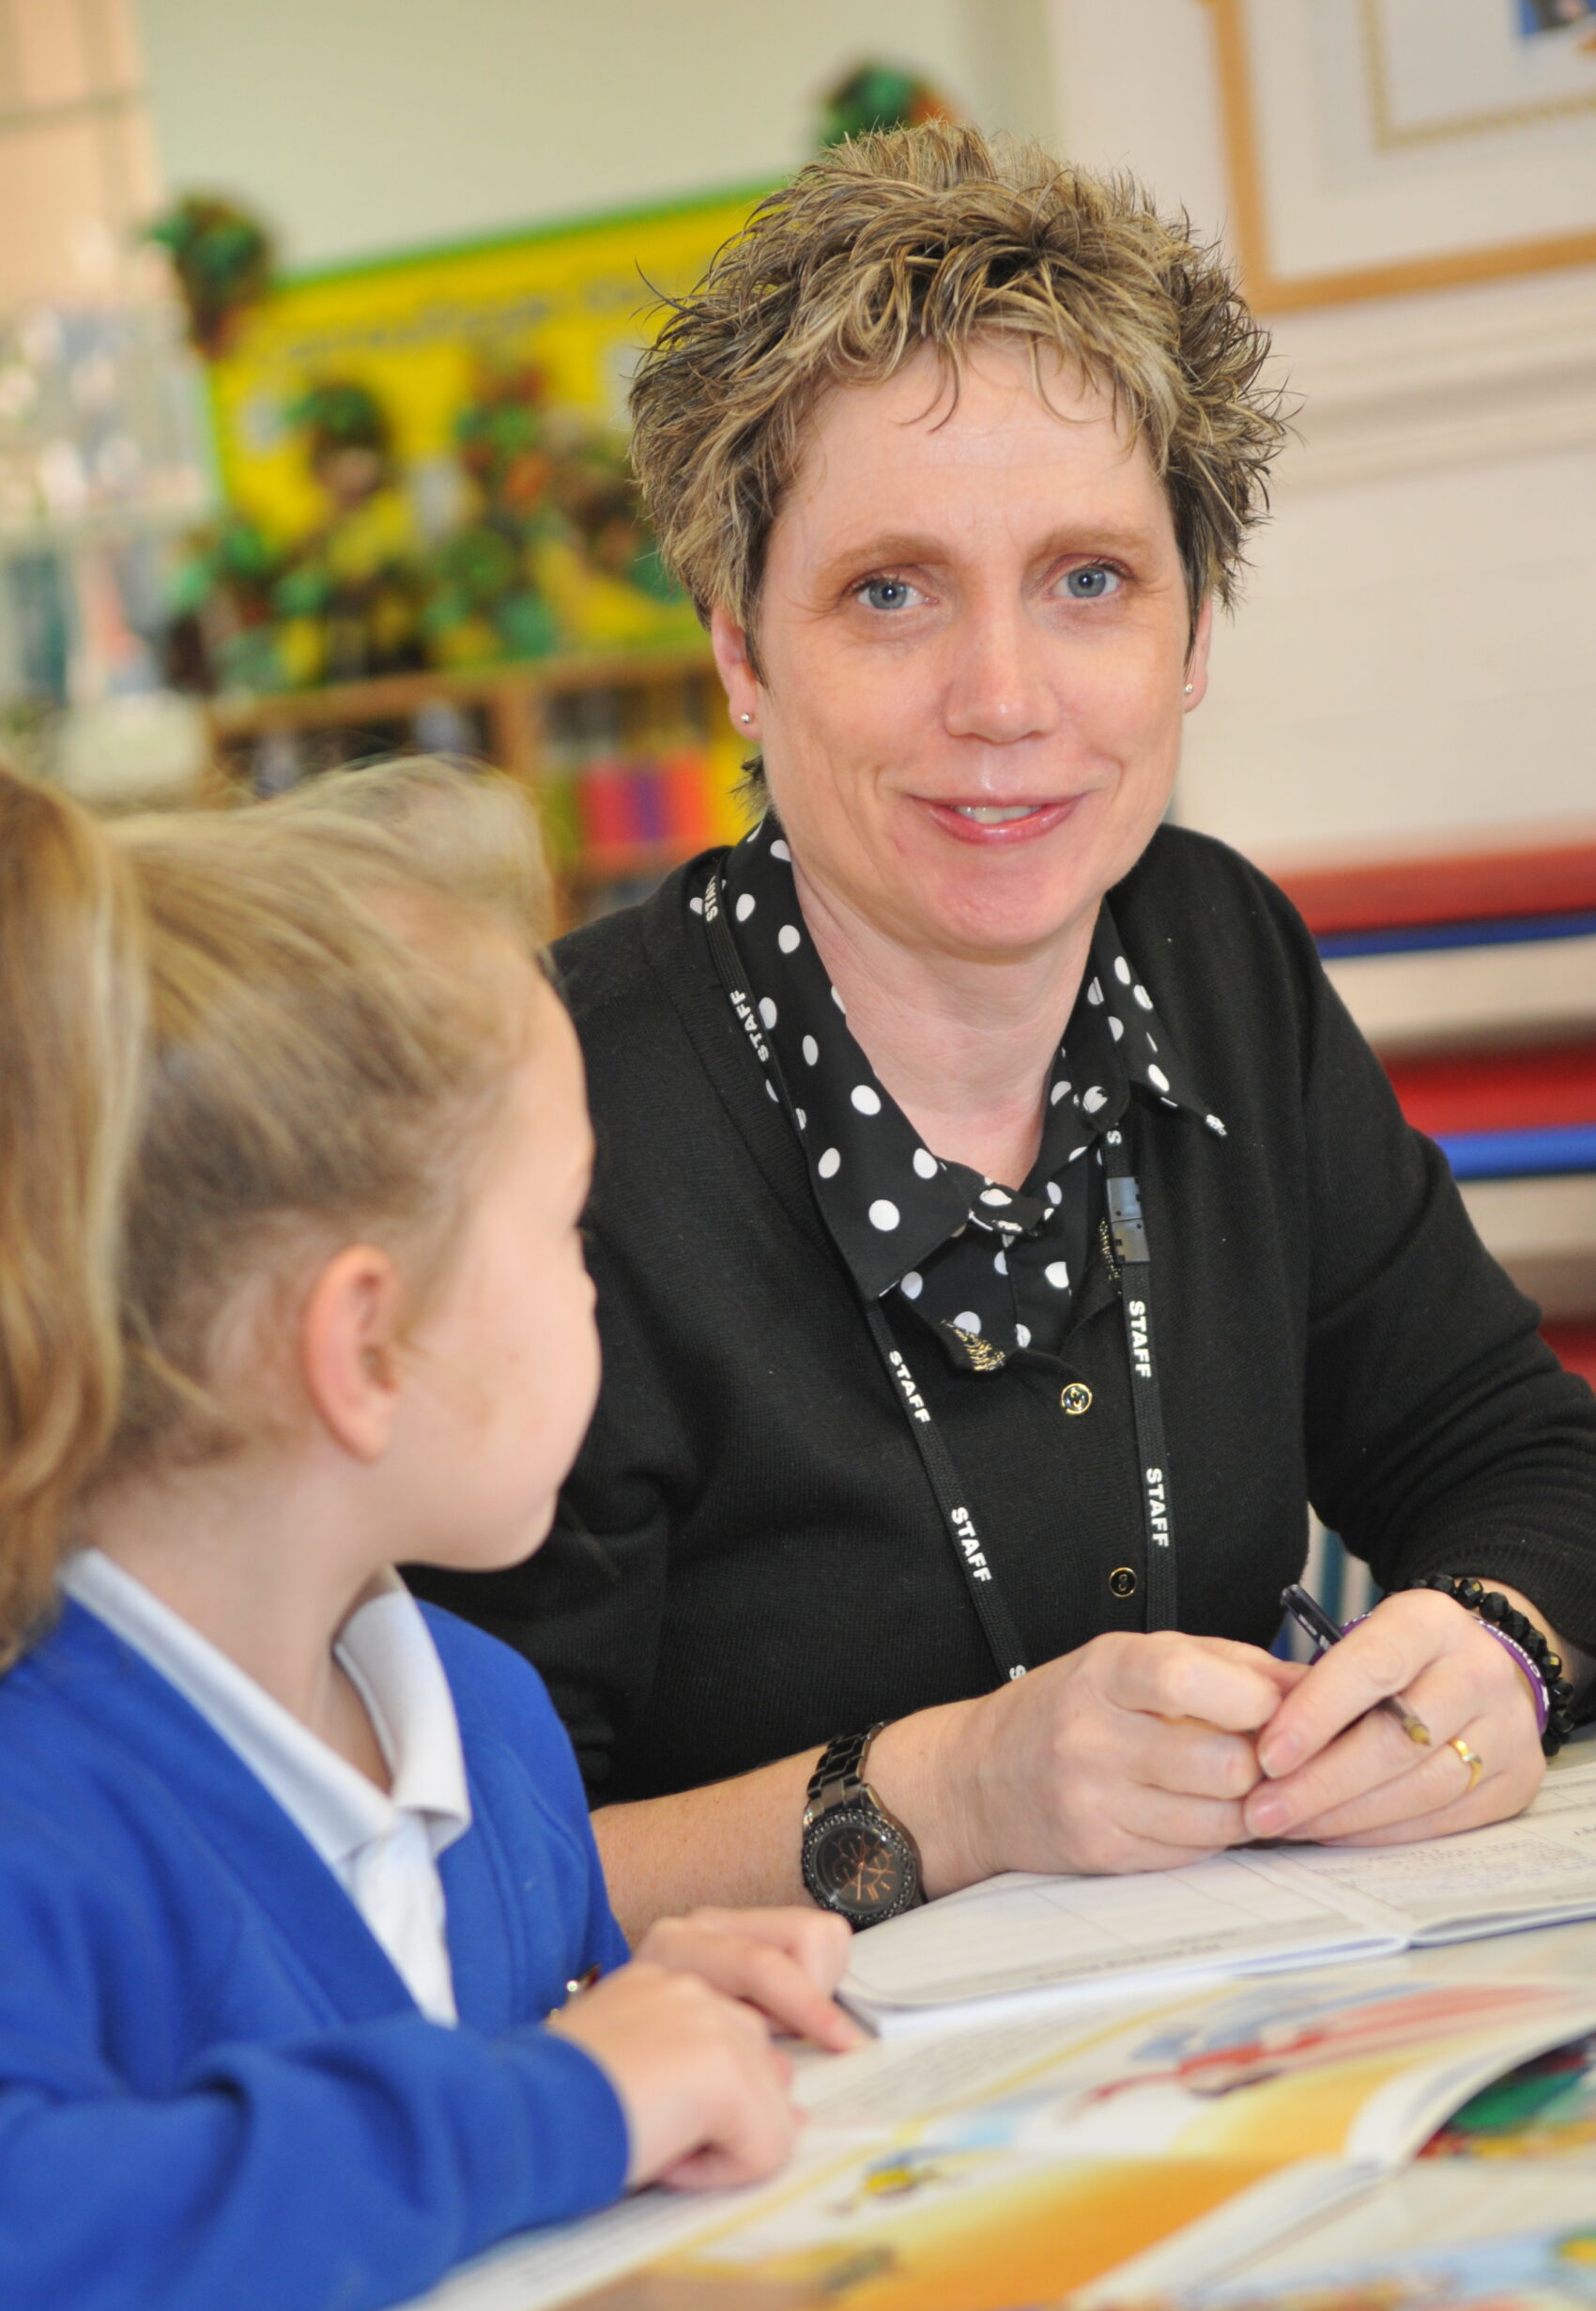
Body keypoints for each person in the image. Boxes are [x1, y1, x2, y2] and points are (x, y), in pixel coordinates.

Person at [422, 125, 1596, 1938]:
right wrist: (947, 1795)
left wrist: (1497, 1652)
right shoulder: (541, 1123)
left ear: (1197, 629)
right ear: (741, 648)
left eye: (1091, 581)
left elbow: (1518, 1455)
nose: (1001, 700)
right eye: (889, 591)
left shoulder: (1216, 956)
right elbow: (443, 1881)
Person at [0, 763, 855, 2311]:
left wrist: (629, 2018)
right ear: (365, 1344)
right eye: (568, 1231)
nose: (602, 1293)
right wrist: (562, 2103)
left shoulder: (490, 1722)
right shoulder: (44, 1814)